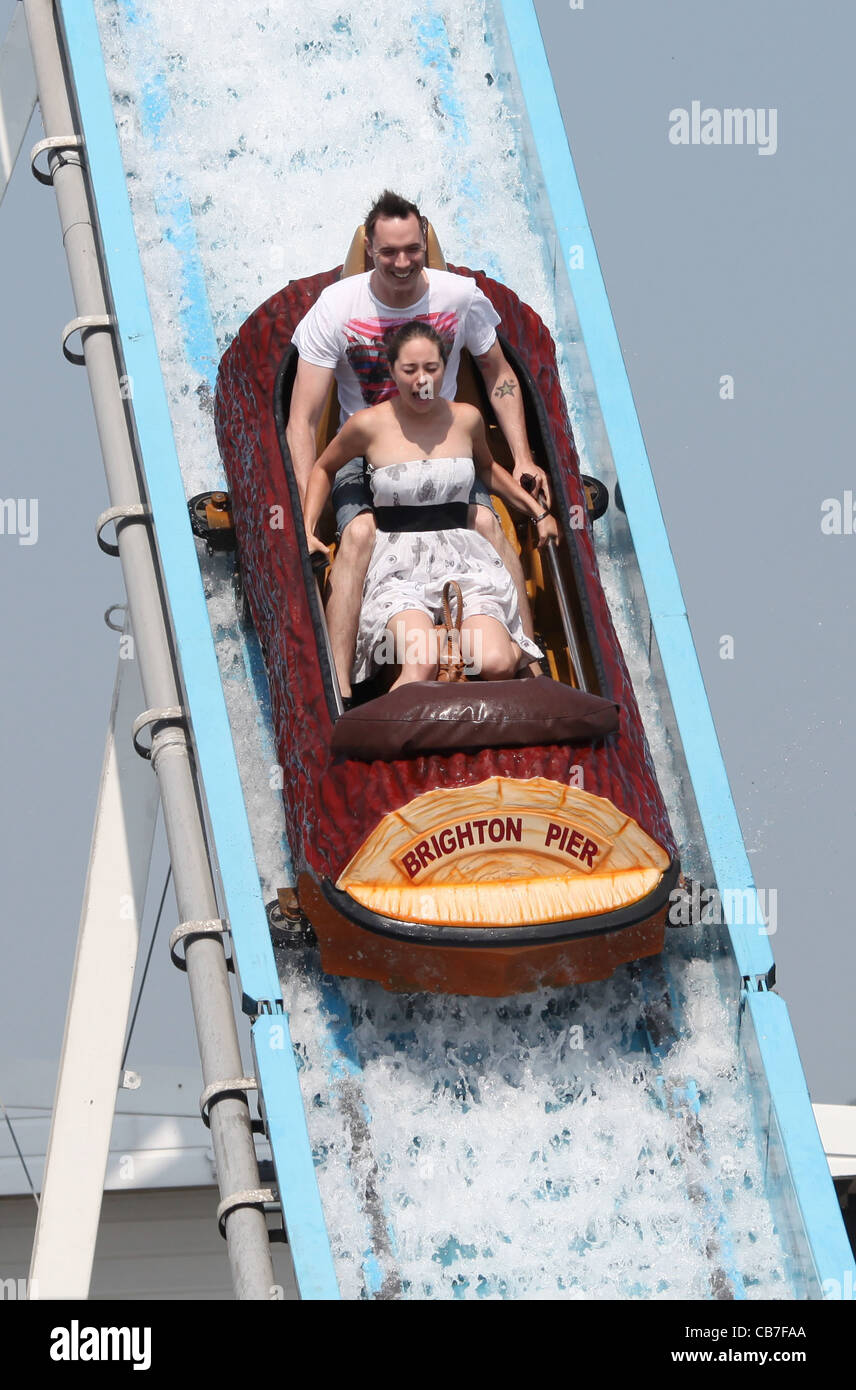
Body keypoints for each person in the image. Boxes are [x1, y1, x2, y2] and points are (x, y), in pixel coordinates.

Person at [286, 189, 551, 697]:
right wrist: (306, 515)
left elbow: (499, 374)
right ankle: (340, 685)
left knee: (488, 524)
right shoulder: (338, 307)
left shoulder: (460, 296)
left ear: (424, 237)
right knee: (361, 532)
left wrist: (522, 456)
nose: (402, 262)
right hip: (365, 455)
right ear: (370, 248)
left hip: (446, 447)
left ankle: (528, 660)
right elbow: (304, 419)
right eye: (389, 252)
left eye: (411, 249)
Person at [303, 322, 559, 690]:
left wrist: (540, 514)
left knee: (498, 664)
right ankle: (381, 723)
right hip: (399, 565)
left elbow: (487, 470)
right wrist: (309, 529)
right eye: (409, 370)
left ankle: (508, 652)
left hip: (463, 558)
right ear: (392, 371)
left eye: (431, 369)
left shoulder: (465, 418)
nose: (421, 380)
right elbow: (324, 468)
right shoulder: (367, 425)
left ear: (444, 368)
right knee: (419, 665)